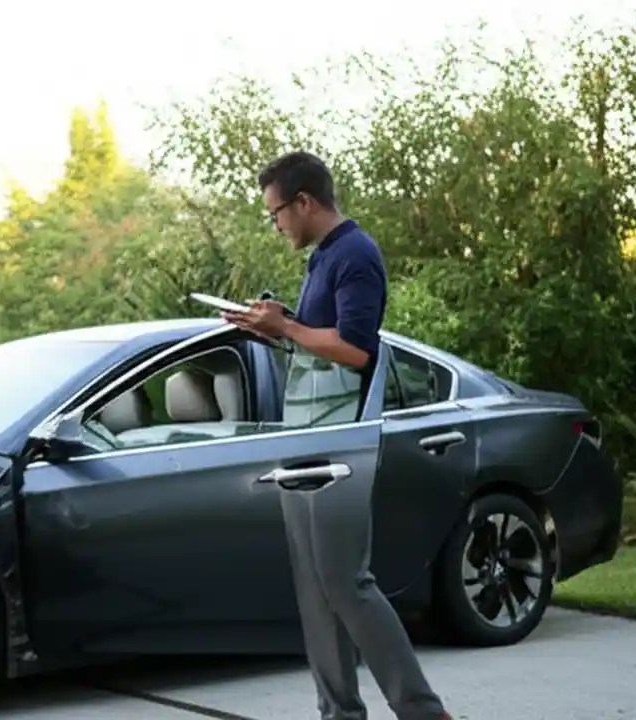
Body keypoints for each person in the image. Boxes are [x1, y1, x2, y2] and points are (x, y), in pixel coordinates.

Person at [222, 151, 452, 720]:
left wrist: (289, 325)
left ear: (304, 202)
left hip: (339, 448)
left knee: (348, 584)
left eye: (276, 212)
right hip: (302, 445)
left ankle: (424, 711)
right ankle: (339, 713)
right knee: (314, 592)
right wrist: (271, 327)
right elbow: (314, 343)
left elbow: (356, 350)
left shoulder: (356, 254)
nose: (275, 224)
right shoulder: (321, 259)